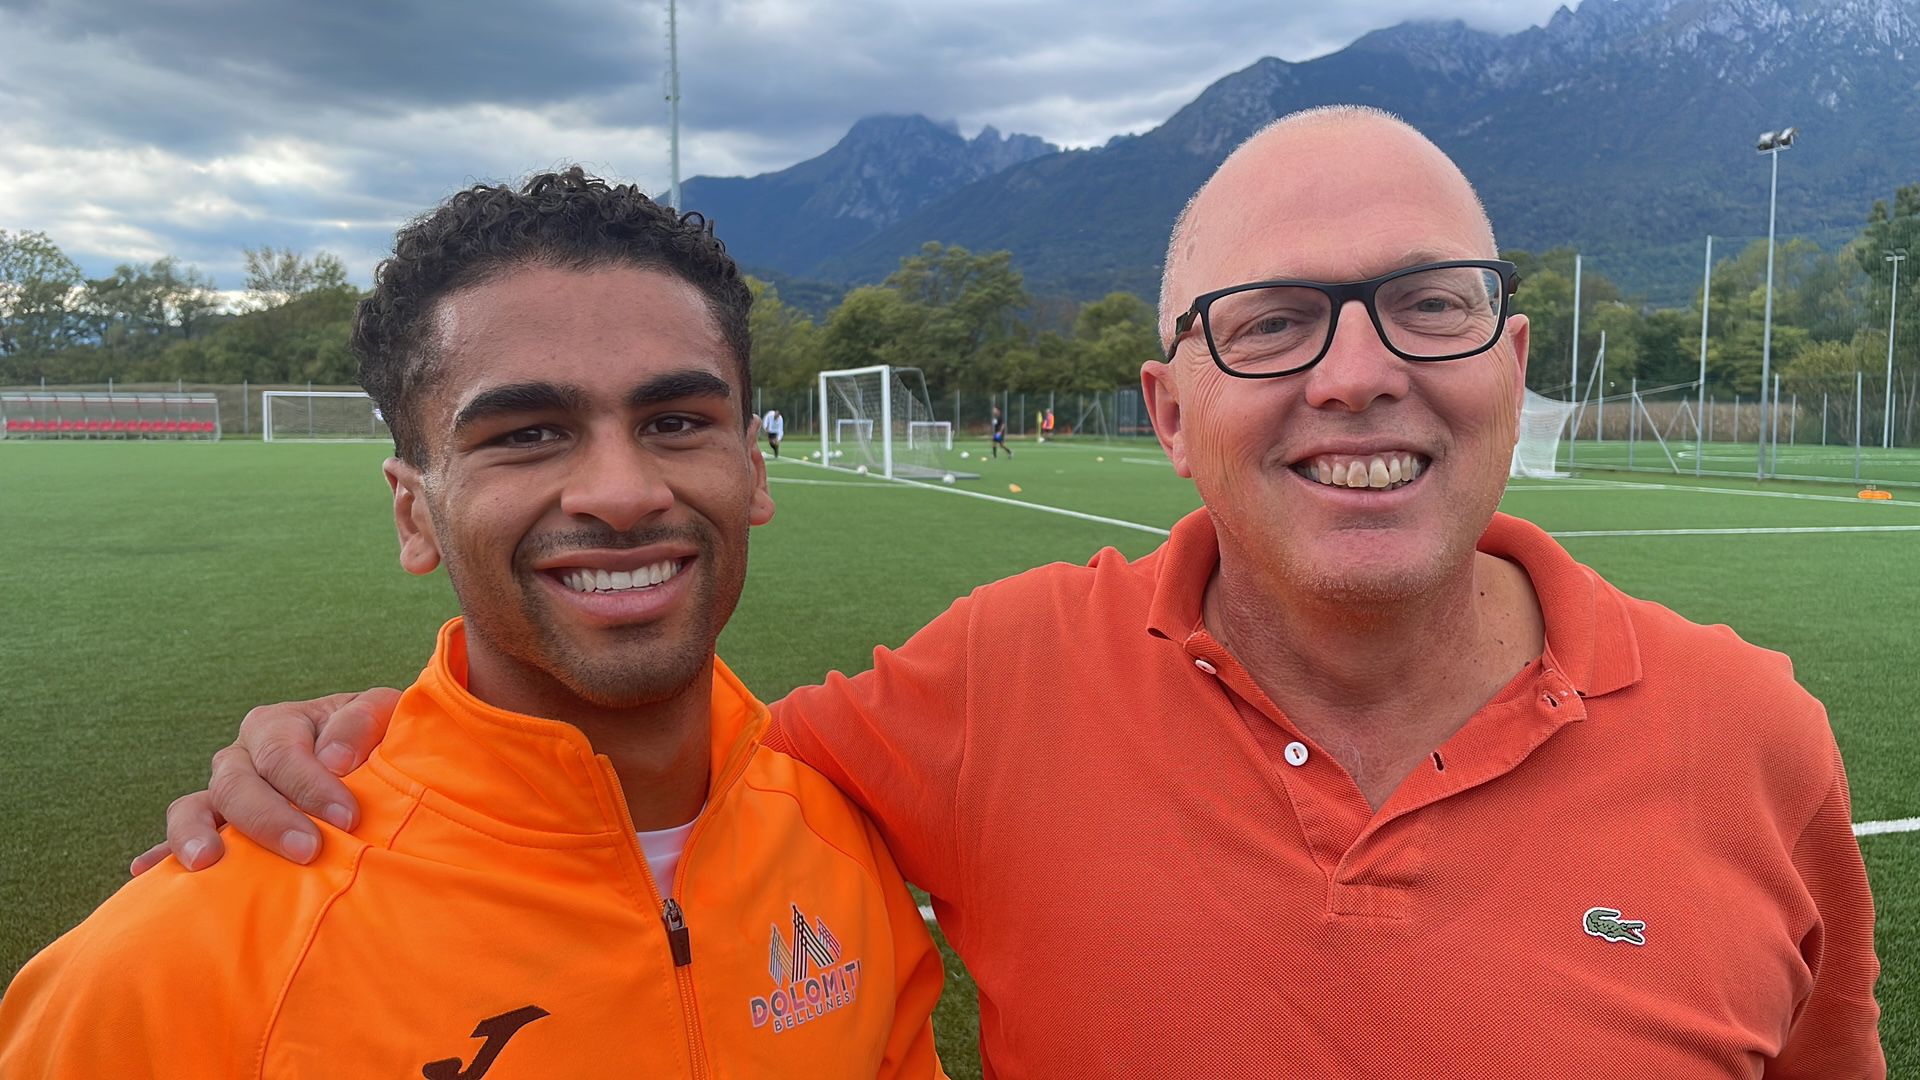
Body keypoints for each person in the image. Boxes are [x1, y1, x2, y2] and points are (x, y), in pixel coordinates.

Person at [138, 108, 1884, 1076]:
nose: (1357, 375)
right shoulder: (999, 686)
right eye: (1271, 323)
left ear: (1513, 362)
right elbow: (651, 774)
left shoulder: (1753, 736)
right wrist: (377, 744)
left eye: (1429, 304)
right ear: (1169, 412)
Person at [0, 168, 945, 1078]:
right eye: (526, 434)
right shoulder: (177, 963)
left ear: (754, 472)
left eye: (674, 421)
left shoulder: (839, 844)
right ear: (414, 514)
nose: (622, 492)